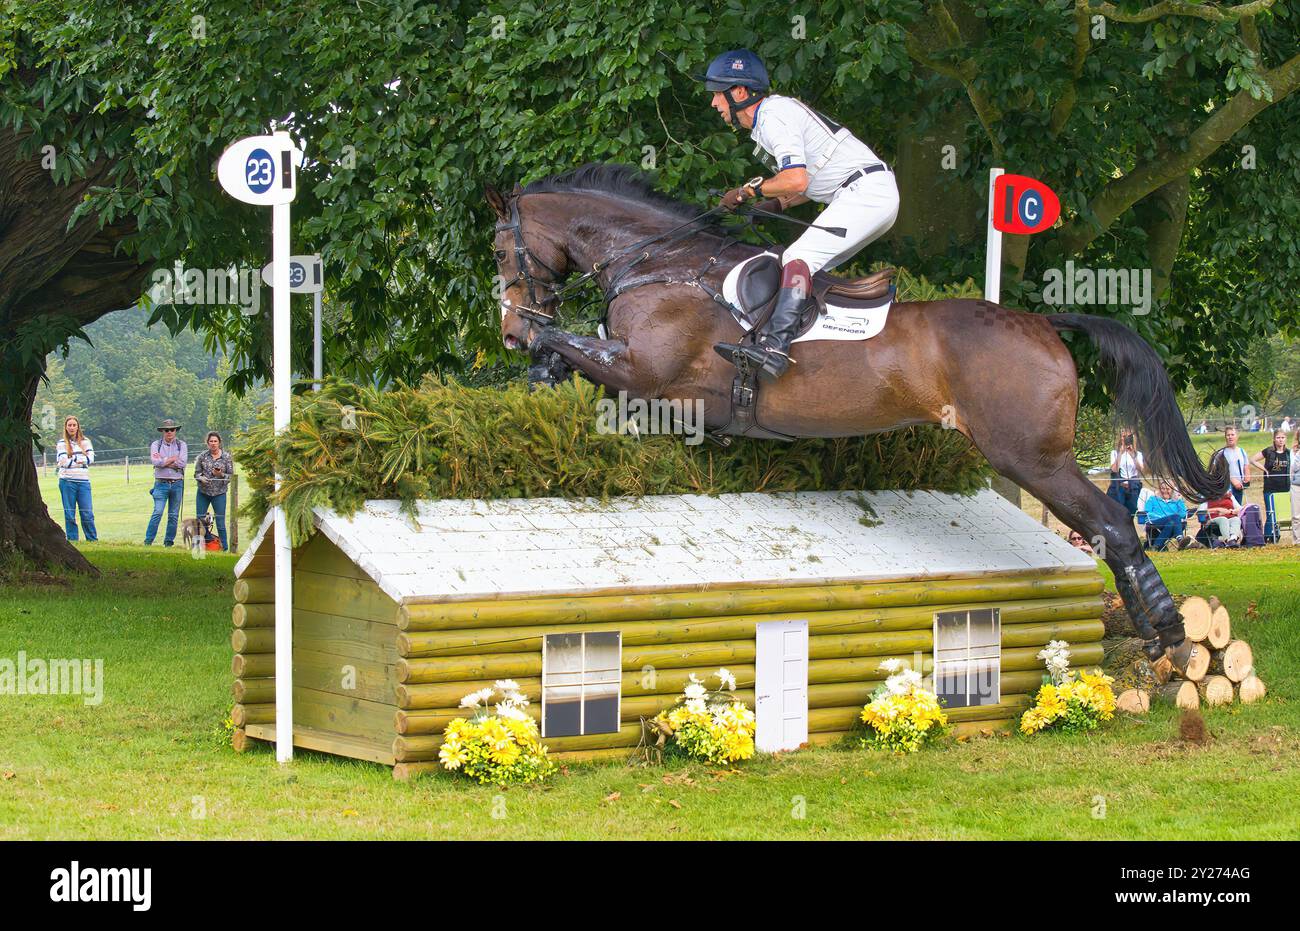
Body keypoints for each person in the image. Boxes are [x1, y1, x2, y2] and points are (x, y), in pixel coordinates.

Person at [699, 48, 900, 381]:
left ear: (739, 92)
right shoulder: (771, 119)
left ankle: (774, 349)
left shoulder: (775, 114)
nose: (714, 104)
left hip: (866, 193)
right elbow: (805, 186)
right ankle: (820, 349)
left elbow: (795, 179)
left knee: (799, 258)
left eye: (718, 94)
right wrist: (774, 205)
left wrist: (749, 191)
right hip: (865, 193)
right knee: (805, 268)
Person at [144, 419, 187, 546]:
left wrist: (164, 462)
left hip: (177, 483)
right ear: (163, 431)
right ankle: (148, 541)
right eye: (166, 430)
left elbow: (182, 463)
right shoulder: (155, 445)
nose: (169, 432)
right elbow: (156, 462)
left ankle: (169, 542)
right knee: (157, 512)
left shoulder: (181, 445)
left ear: (175, 431)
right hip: (161, 483)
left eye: (172, 430)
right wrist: (172, 459)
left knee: (173, 515)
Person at [55, 415, 97, 542]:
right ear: (66, 427)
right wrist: (80, 460)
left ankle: (92, 539)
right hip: (67, 481)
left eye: (74, 425)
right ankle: (73, 539)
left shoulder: (86, 442)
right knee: (69, 514)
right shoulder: (61, 443)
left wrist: (73, 459)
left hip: (83, 481)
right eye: (69, 425)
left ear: (78, 427)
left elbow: (90, 459)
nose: (72, 427)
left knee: (87, 513)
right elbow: (63, 462)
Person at [194, 431, 234, 551]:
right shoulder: (202, 456)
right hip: (203, 492)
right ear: (207, 443)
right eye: (211, 441)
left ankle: (225, 549)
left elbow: (231, 476)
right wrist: (201, 478)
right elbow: (196, 473)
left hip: (219, 493)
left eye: (215, 441)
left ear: (219, 443)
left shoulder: (226, 457)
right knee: (200, 520)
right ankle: (200, 547)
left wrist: (220, 474)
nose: (213, 443)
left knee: (220, 522)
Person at [1251, 430, 1291, 544]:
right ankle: (1266, 537)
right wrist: (1264, 469)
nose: (1281, 440)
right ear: (1274, 439)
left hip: (1284, 488)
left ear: (1285, 439)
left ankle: (1276, 535)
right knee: (1271, 512)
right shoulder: (1268, 451)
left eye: (1283, 437)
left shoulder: (1288, 453)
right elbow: (1253, 459)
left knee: (1279, 514)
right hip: (1270, 488)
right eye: (1278, 437)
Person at [1107, 429, 1145, 517]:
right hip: (1118, 487)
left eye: (1129, 437)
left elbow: (1140, 470)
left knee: (1130, 513)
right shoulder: (1114, 453)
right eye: (1124, 437)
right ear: (1120, 438)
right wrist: (1120, 453)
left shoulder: (1138, 454)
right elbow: (1114, 470)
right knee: (1118, 512)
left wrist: (1132, 455)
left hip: (1133, 488)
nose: (1126, 439)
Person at [1144, 480, 1190, 551]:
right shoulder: (1153, 498)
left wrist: (1179, 501)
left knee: (1171, 523)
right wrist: (1162, 517)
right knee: (1175, 517)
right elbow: (1147, 512)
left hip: (1174, 524)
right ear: (1159, 489)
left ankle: (1156, 546)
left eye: (1168, 489)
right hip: (1156, 522)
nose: (1165, 491)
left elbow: (1183, 514)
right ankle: (1180, 539)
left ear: (1172, 490)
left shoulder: (1176, 501)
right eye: (1163, 488)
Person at [1220, 425, 1250, 506]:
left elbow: (1246, 465)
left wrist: (1247, 478)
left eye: (1232, 435)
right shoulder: (1221, 453)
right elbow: (1219, 471)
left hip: (1239, 486)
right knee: (1229, 508)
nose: (1230, 437)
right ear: (1225, 437)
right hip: (1227, 487)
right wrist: (1233, 480)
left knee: (1238, 509)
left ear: (1237, 436)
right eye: (1228, 435)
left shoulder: (1242, 451)